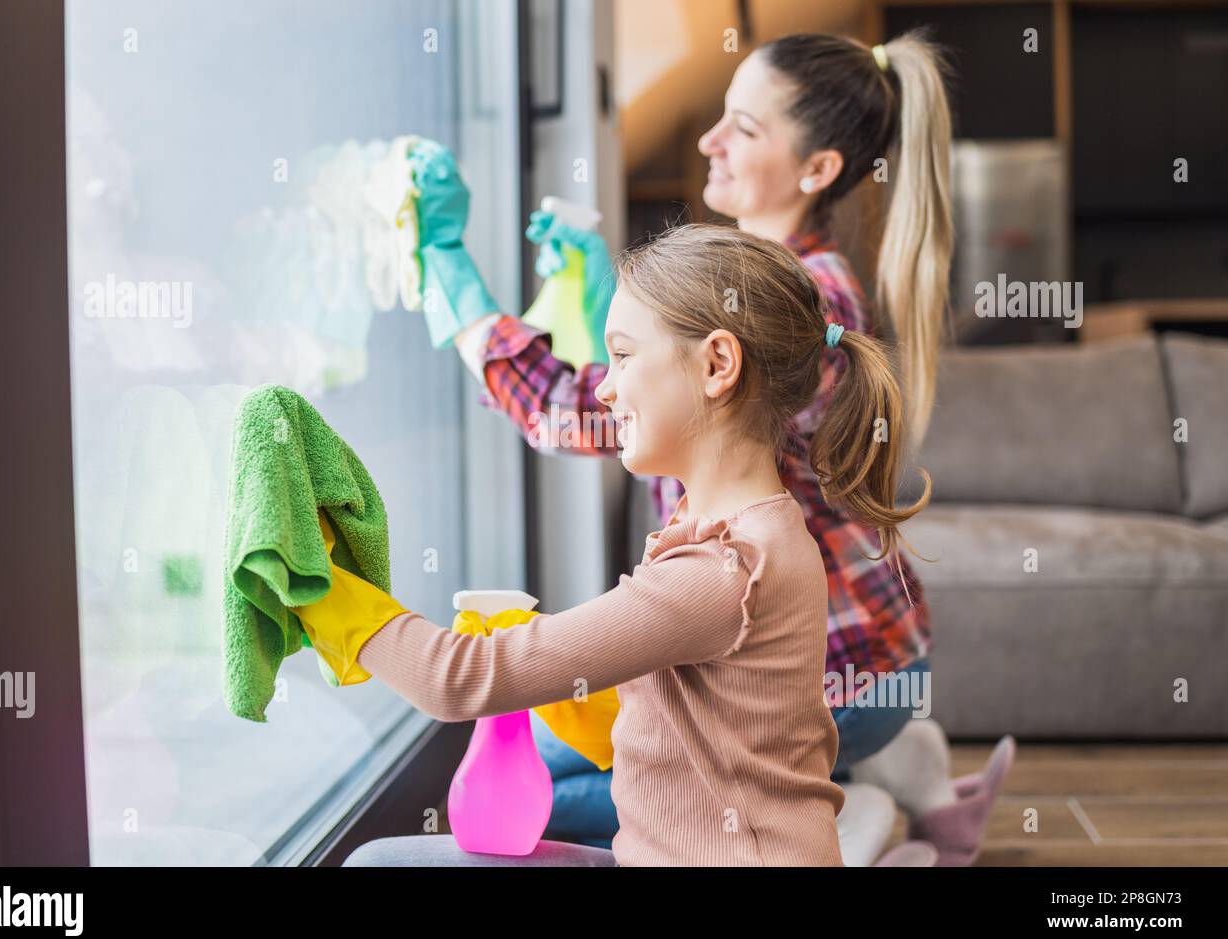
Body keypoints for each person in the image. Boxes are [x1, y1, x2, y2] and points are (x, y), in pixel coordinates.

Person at [405, 30, 1015, 867]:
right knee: (555, 762)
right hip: (815, 665)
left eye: (744, 128)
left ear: (818, 170)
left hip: (837, 674)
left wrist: (462, 293)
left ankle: (857, 808)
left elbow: (585, 413)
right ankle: (888, 765)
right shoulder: (758, 276)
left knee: (565, 795)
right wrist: (603, 313)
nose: (707, 142)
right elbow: (640, 396)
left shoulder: (801, 295)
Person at [332, 223, 929, 865]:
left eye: (622, 356)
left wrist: (315, 584)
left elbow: (458, 681)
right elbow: (677, 718)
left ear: (717, 366)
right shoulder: (744, 526)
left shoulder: (723, 568)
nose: (605, 388)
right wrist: (568, 684)